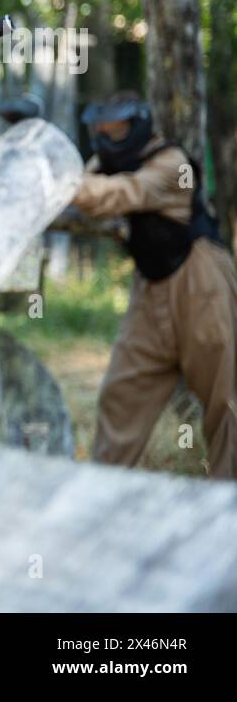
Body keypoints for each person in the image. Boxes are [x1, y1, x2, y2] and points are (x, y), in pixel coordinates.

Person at [71, 91, 237, 478]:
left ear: (136, 126)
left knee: (225, 404)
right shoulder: (107, 162)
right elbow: (86, 190)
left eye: (117, 128)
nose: (107, 135)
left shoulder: (171, 163)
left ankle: (229, 511)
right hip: (151, 291)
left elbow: (121, 193)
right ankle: (101, 494)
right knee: (121, 395)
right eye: (102, 129)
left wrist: (57, 183)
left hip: (202, 284)